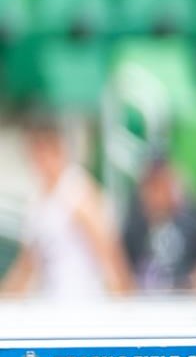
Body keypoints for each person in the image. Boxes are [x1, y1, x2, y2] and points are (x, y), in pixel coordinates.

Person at [1, 114, 131, 300]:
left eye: (41, 150)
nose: (37, 160)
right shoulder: (38, 200)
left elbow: (110, 257)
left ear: (57, 148)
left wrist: (124, 304)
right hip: (52, 304)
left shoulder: (78, 192)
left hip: (83, 304)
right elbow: (26, 265)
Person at [122, 154, 196, 293]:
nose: (159, 194)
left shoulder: (191, 225)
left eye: (165, 186)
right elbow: (123, 265)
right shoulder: (134, 229)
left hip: (183, 296)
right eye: (154, 187)